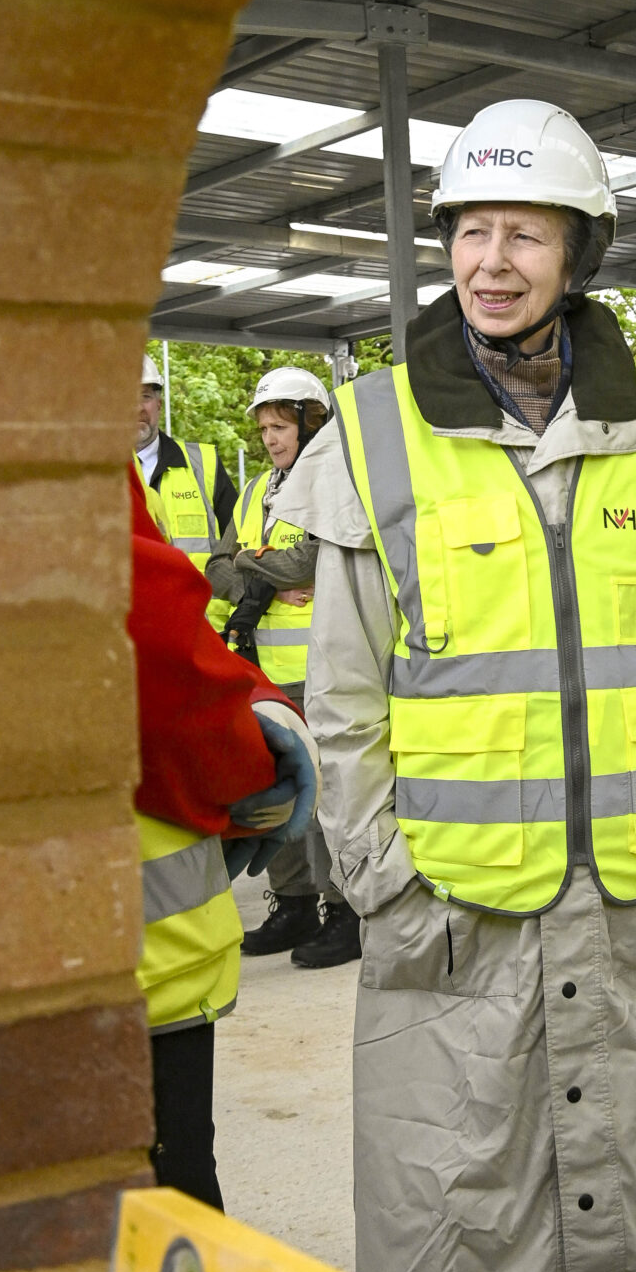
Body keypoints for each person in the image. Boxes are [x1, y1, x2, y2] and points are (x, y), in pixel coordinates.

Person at [276, 99, 636, 1272]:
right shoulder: (374, 433)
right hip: (456, 921)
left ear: (579, 250)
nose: (491, 263)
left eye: (524, 235)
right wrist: (378, 876)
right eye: (470, 232)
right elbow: (344, 698)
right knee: (464, 1233)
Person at [126, 472, 319, 1207]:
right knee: (166, 1226)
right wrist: (249, 738)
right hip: (139, 970)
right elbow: (146, 617)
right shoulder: (18, 392)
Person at [205, 367, 361, 972]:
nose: (271, 438)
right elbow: (220, 567)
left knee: (329, 800)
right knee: (279, 791)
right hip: (262, 675)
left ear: (310, 421)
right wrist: (260, 565)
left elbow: (310, 561)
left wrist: (255, 565)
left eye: (280, 425)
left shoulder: (333, 484)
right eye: (265, 427)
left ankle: (341, 910)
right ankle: (293, 901)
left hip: (323, 669)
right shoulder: (253, 493)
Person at [132, 353, 235, 612]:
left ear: (159, 402)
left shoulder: (204, 464)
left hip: (203, 630)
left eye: (144, 396)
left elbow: (243, 546)